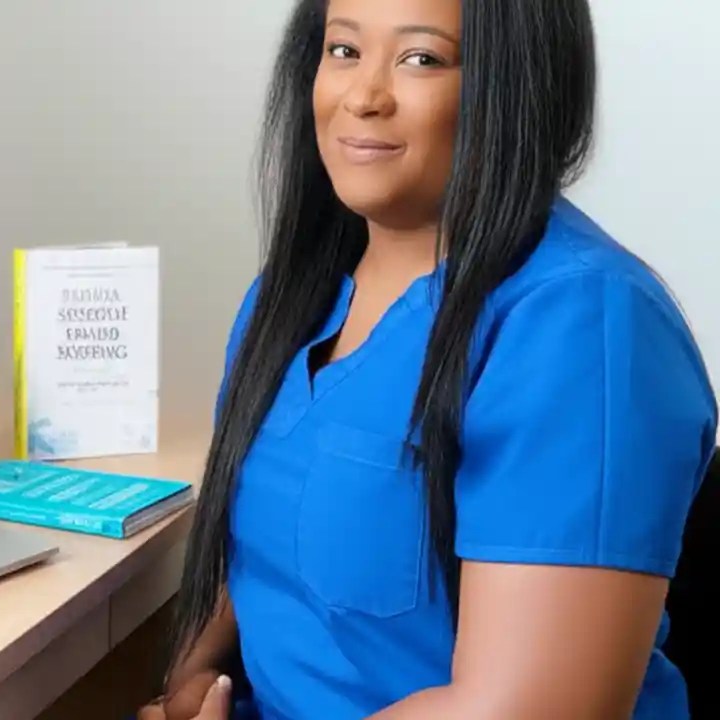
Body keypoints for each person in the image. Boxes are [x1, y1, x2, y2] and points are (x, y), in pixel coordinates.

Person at [138, 0, 717, 718]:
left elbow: (531, 708)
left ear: (514, 85)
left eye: (422, 59)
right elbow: (265, 533)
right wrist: (195, 675)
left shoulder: (583, 325)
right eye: (343, 51)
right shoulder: (289, 298)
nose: (363, 96)